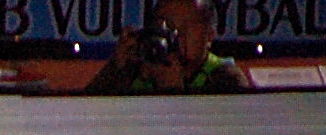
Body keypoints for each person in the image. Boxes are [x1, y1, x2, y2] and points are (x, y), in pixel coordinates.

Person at [85, 0, 246, 91]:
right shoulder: (135, 67)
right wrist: (116, 69)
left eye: (187, 28)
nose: (175, 35)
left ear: (209, 36)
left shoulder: (226, 78)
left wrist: (173, 91)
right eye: (167, 26)